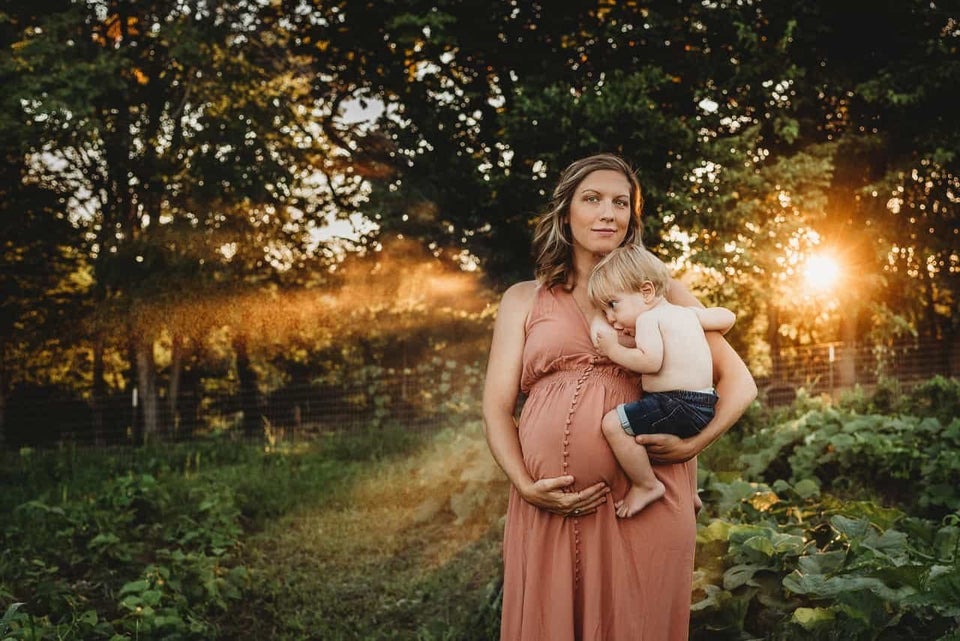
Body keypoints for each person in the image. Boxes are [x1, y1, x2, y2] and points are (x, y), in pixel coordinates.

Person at [482, 152, 756, 641]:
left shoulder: (660, 291)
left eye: (621, 202)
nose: (608, 212)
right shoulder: (524, 298)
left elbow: (739, 383)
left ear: (632, 218)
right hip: (549, 505)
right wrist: (525, 485)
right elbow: (497, 408)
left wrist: (695, 445)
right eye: (592, 199)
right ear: (566, 212)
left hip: (645, 500)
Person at [587, 243, 736, 518]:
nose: (611, 317)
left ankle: (646, 485)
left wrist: (614, 350)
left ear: (646, 292)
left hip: (677, 402)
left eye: (613, 304)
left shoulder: (648, 320)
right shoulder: (686, 314)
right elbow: (728, 317)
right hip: (703, 402)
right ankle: (690, 492)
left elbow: (650, 362)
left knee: (614, 425)